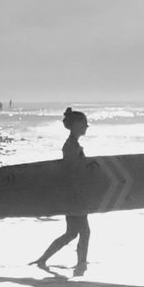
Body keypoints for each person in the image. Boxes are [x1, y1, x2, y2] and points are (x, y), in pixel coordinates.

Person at [33, 107, 92, 276]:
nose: (86, 126)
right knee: (83, 232)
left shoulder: (73, 145)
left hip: (74, 194)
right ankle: (81, 264)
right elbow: (72, 171)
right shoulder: (70, 147)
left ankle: (44, 259)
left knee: (73, 233)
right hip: (75, 195)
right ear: (74, 126)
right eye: (84, 123)